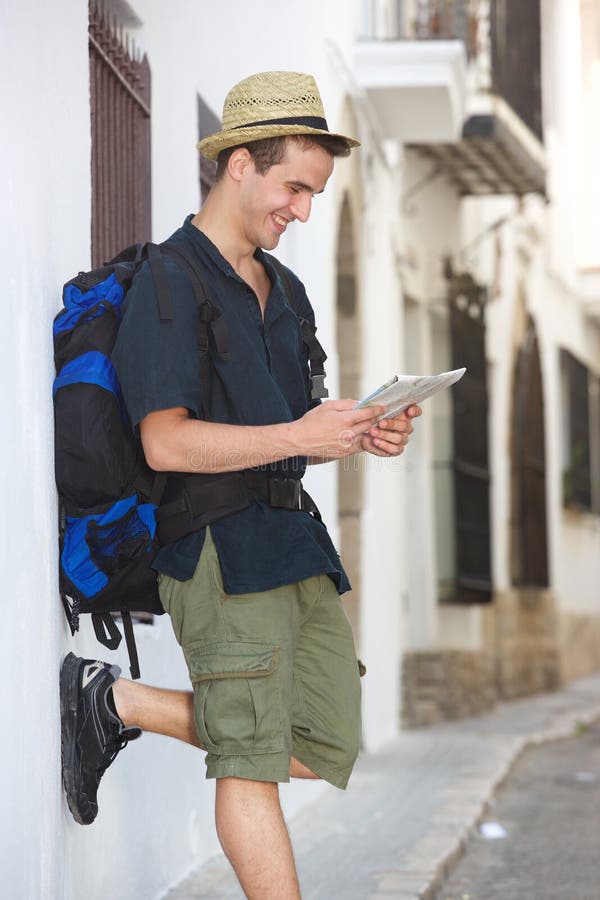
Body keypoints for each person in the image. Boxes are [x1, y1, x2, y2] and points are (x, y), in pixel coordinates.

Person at [60, 70, 421, 898]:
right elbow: (165, 442)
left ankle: (118, 703)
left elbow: (287, 434)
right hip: (217, 550)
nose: (303, 210)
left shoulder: (286, 290)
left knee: (323, 741)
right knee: (250, 762)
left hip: (295, 545)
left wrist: (357, 434)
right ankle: (114, 703)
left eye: (314, 193)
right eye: (294, 187)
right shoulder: (171, 278)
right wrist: (298, 436)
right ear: (239, 165)